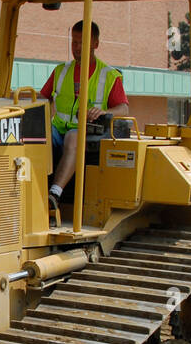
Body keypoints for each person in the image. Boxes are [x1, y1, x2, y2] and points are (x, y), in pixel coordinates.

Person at [40, 20, 129, 206]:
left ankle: (54, 194)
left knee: (73, 137)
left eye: (82, 43)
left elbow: (124, 109)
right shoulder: (61, 71)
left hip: (89, 133)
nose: (77, 47)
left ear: (95, 44)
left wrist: (104, 111)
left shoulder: (109, 76)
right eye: (74, 42)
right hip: (59, 130)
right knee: (39, 136)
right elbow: (42, 98)